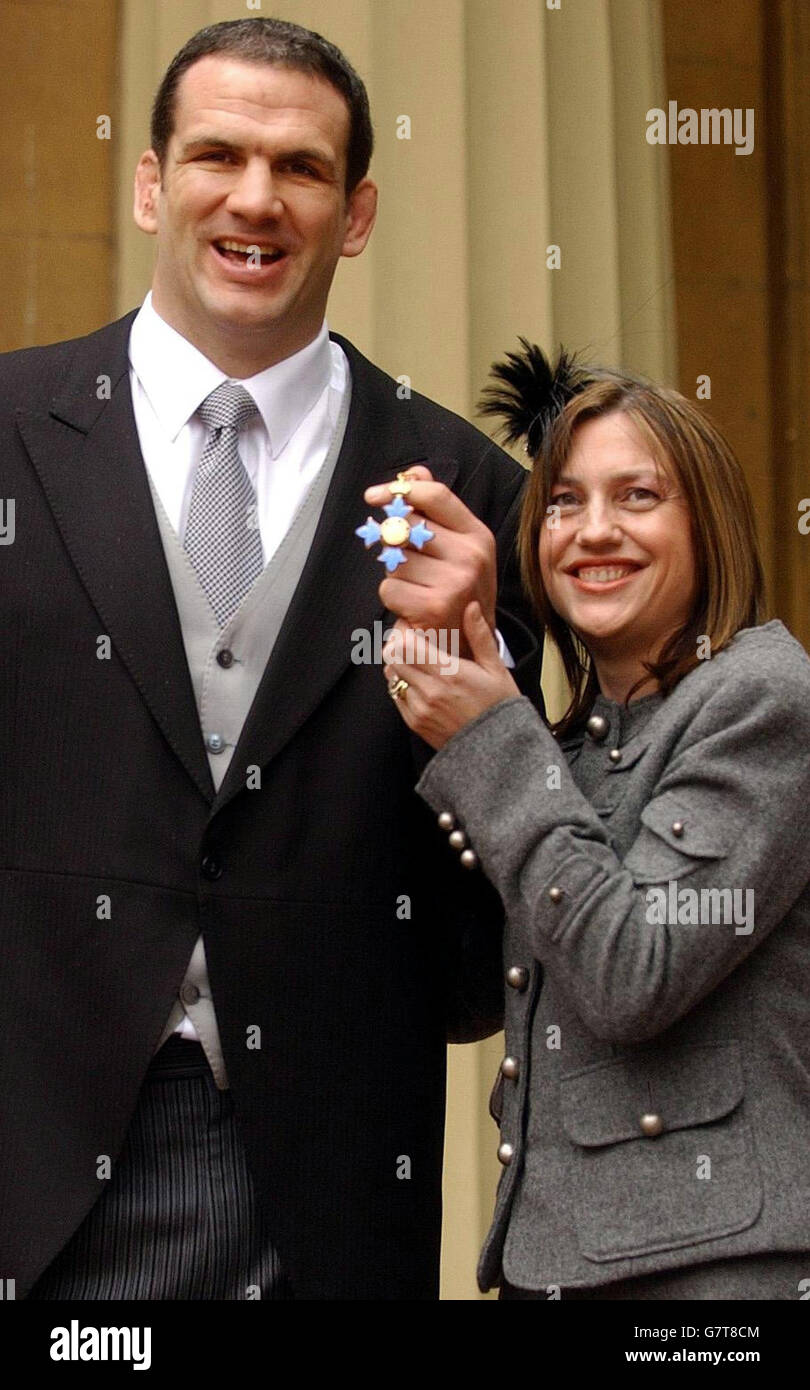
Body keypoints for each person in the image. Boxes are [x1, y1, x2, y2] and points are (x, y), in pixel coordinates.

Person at [2, 18, 541, 1302]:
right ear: (150, 184)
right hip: (28, 1160)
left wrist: (483, 677)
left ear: (355, 214)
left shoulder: (471, 490)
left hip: (330, 1185)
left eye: (300, 168)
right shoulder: (7, 433)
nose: (256, 198)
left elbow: (497, 906)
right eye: (218, 155)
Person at [382, 343, 810, 1298]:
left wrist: (491, 731)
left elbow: (634, 970)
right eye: (565, 502)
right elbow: (468, 999)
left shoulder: (765, 699)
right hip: (557, 1268)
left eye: (639, 498)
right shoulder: (566, 747)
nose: (593, 531)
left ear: (712, 526)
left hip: (723, 1280)